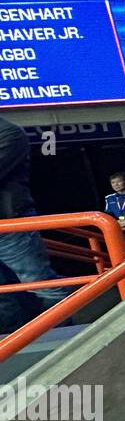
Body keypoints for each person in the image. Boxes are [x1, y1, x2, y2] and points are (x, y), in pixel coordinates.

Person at [0, 117, 72, 332]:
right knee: (3, 296)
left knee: (41, 284)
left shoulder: (9, 133)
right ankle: (14, 343)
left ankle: (65, 337)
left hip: (11, 227)